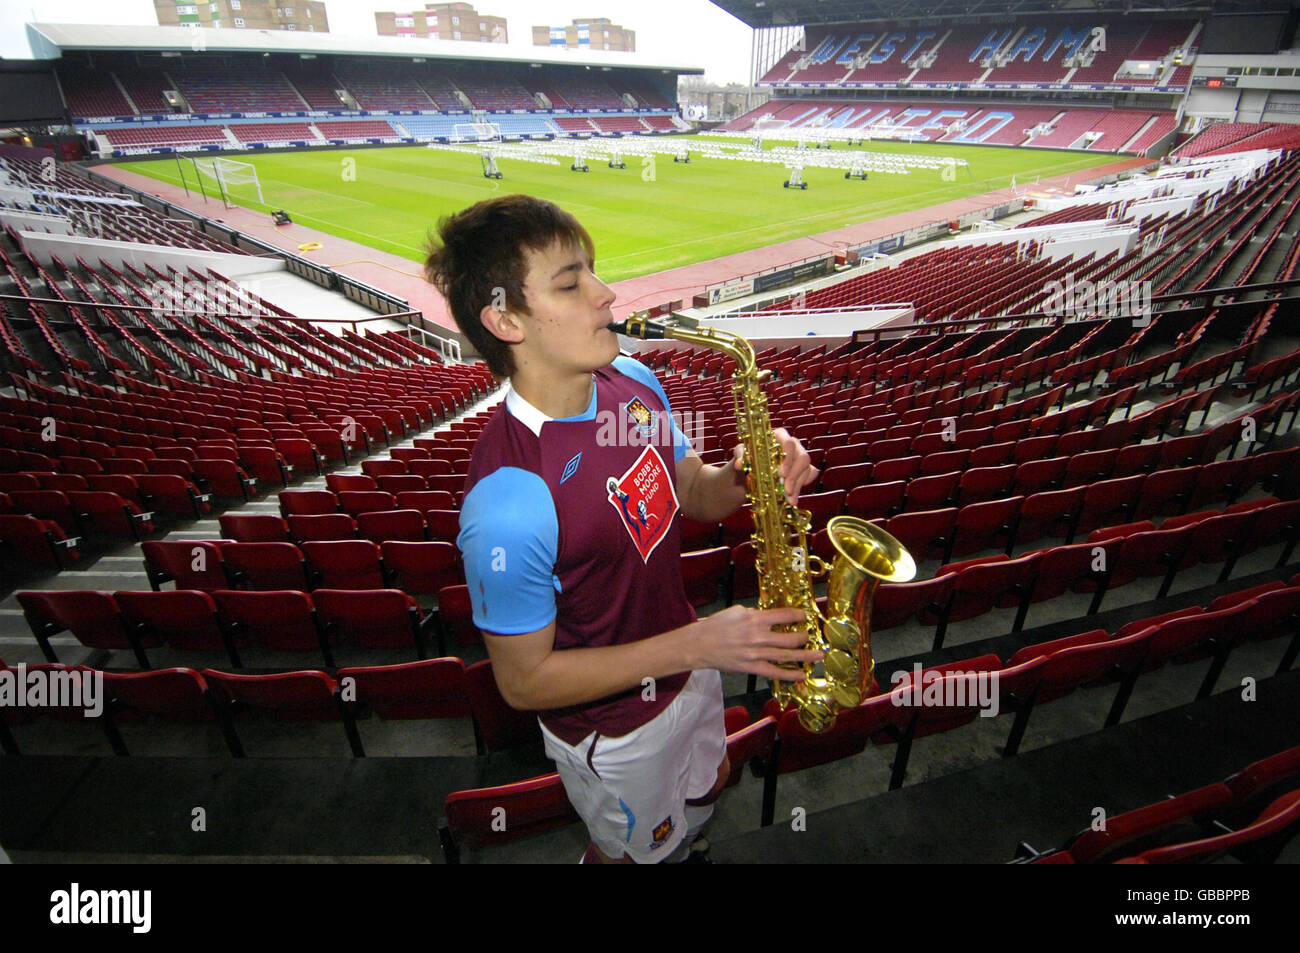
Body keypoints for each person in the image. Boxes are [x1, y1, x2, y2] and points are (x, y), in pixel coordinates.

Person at [424, 194, 821, 864]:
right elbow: (522, 683)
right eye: (572, 282)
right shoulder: (508, 501)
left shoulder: (634, 379)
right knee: (631, 854)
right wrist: (695, 644)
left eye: (594, 272)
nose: (607, 294)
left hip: (692, 664)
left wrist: (744, 473)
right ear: (505, 318)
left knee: (707, 787)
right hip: (615, 728)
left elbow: (691, 488)